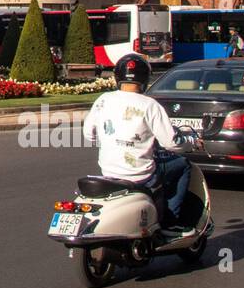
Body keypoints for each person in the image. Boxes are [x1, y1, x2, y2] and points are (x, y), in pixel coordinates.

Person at [83, 61, 195, 237]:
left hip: (109, 172)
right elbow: (171, 143)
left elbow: (89, 134)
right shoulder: (150, 105)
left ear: (117, 77)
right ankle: (171, 223)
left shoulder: (103, 100)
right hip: (141, 176)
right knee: (183, 165)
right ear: (145, 79)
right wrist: (191, 142)